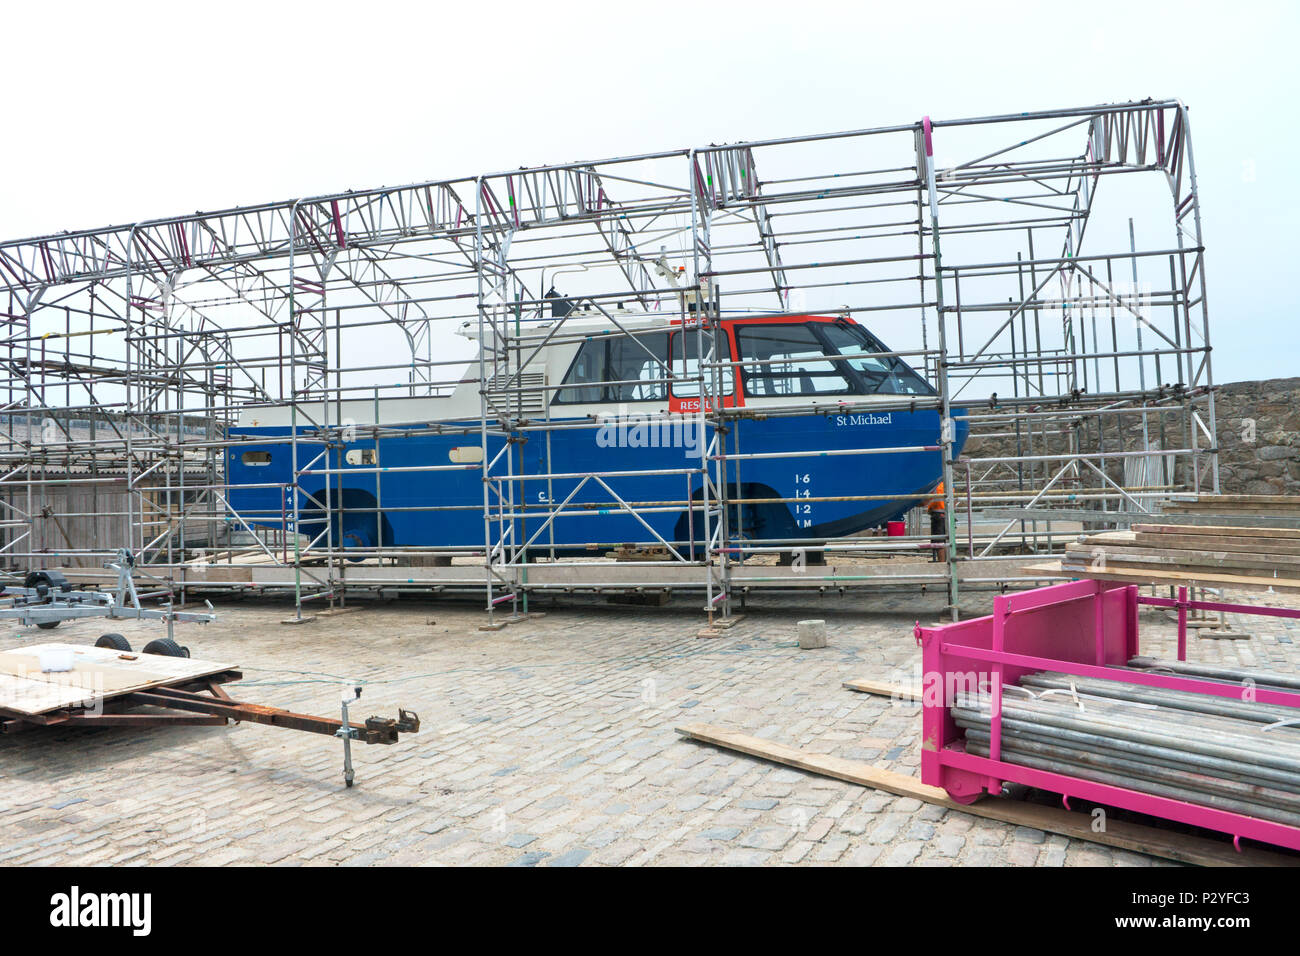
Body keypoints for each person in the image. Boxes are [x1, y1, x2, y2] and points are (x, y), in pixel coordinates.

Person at [927, 481, 947, 563]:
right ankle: (947, 561)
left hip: (937, 514)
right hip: (947, 514)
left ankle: (942, 564)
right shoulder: (948, 483)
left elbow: (926, 501)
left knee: (939, 542)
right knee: (947, 540)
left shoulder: (935, 484)